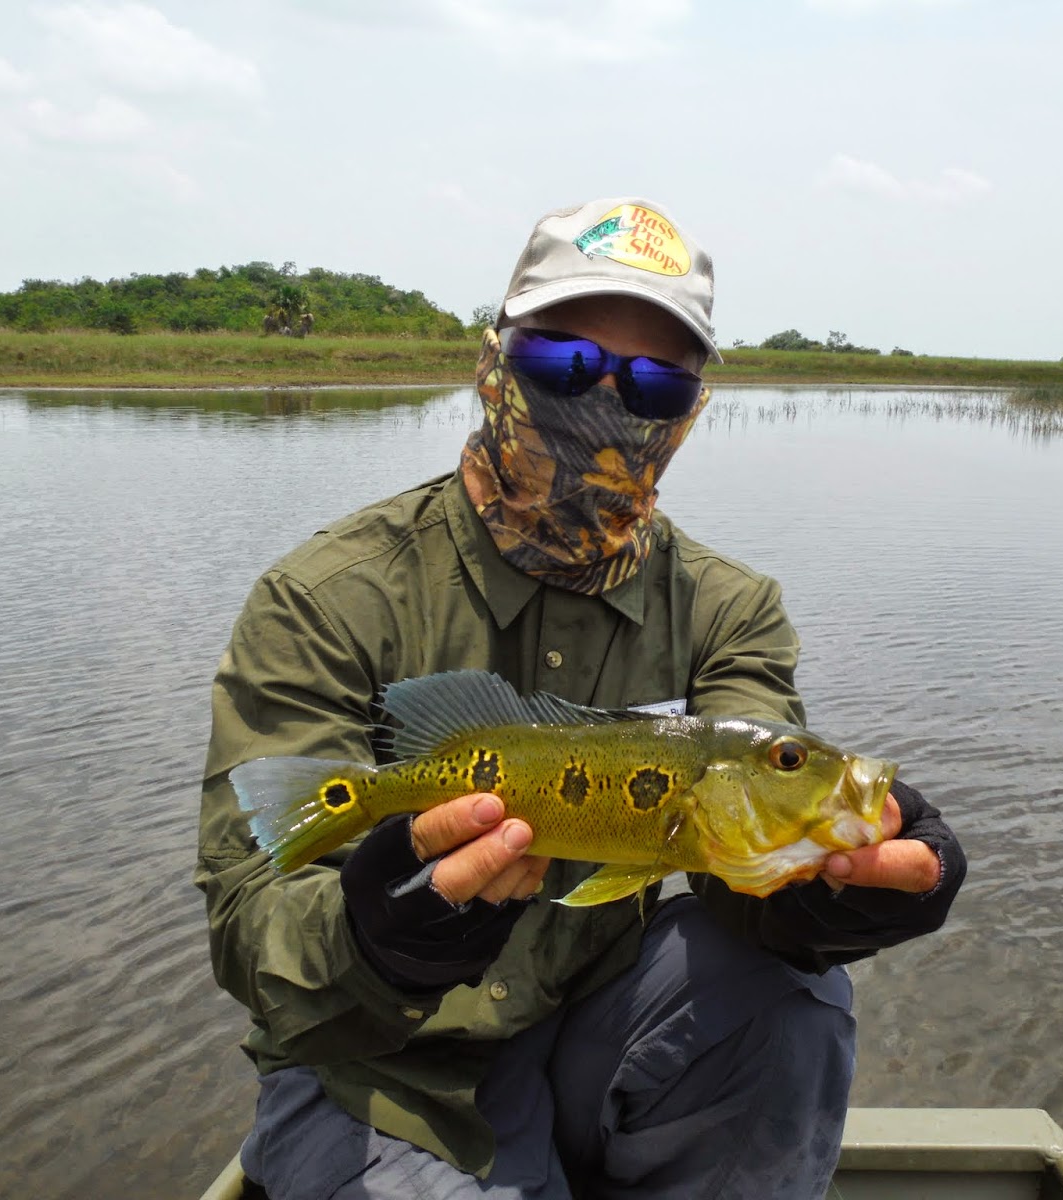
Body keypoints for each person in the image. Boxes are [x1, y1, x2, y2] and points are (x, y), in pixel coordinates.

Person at [196, 197, 967, 1200]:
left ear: (689, 406)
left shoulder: (729, 610)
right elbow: (247, 929)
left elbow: (750, 814)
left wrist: (838, 895)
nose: (604, 403)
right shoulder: (328, 596)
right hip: (376, 1068)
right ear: (495, 362)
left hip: (596, 1031)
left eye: (652, 383)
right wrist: (374, 937)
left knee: (793, 1000)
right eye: (561, 365)